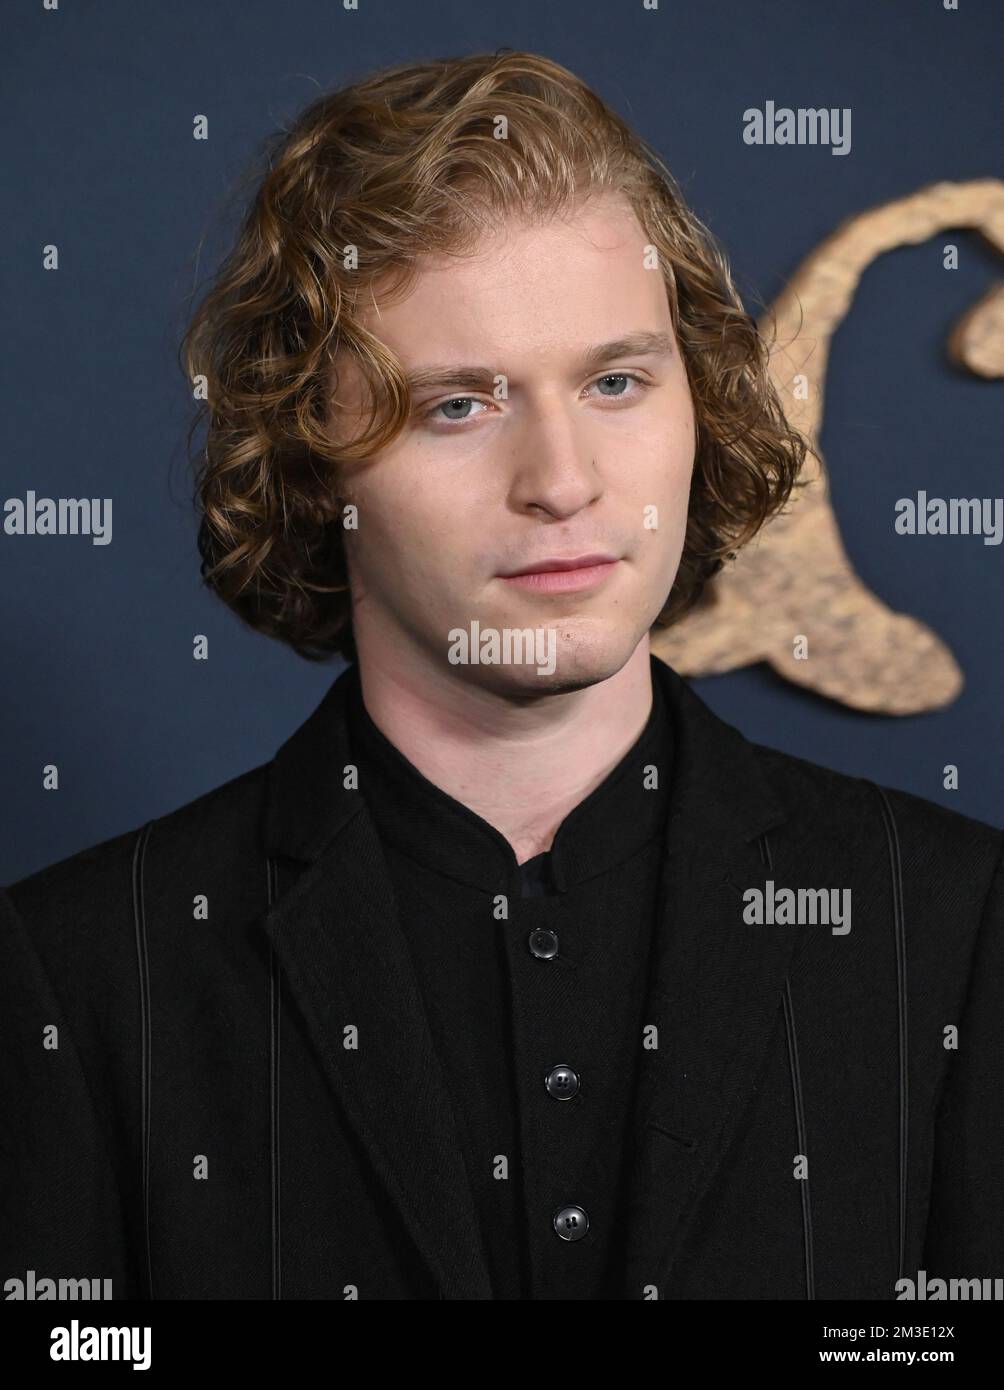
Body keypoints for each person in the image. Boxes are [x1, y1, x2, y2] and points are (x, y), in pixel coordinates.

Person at [2, 50, 1001, 1303]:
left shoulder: (958, 925)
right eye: (460, 405)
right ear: (315, 460)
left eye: (617, 381)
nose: (563, 479)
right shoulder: (84, 969)